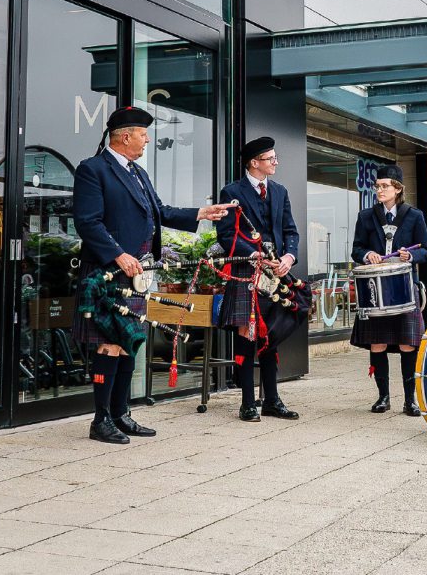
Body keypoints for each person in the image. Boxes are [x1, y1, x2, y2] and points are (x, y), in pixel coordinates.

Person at [72, 106, 234, 444]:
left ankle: (120, 414)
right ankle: (100, 421)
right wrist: (117, 254)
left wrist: (201, 213)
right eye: (143, 133)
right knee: (109, 346)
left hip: (138, 273)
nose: (147, 139)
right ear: (125, 136)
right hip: (108, 273)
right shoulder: (93, 169)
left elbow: (160, 212)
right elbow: (88, 221)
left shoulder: (137, 172)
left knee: (128, 344)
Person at [217, 136, 302, 423]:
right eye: (271, 158)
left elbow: (291, 230)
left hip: (276, 271)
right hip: (246, 271)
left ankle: (272, 400)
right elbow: (226, 236)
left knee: (271, 334)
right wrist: (254, 255)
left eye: (275, 158)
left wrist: (289, 258)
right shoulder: (231, 191)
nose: (276, 162)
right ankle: (246, 402)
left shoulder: (280, 191)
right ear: (254, 163)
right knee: (247, 334)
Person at [350, 165, 427, 416]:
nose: (380, 190)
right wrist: (367, 254)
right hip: (376, 289)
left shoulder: (414, 215)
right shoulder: (366, 216)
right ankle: (383, 397)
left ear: (398, 189)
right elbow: (357, 249)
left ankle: (410, 400)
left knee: (408, 344)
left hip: (404, 287)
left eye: (385, 186)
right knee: (378, 343)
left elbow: (425, 250)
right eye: (377, 186)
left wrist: (410, 255)